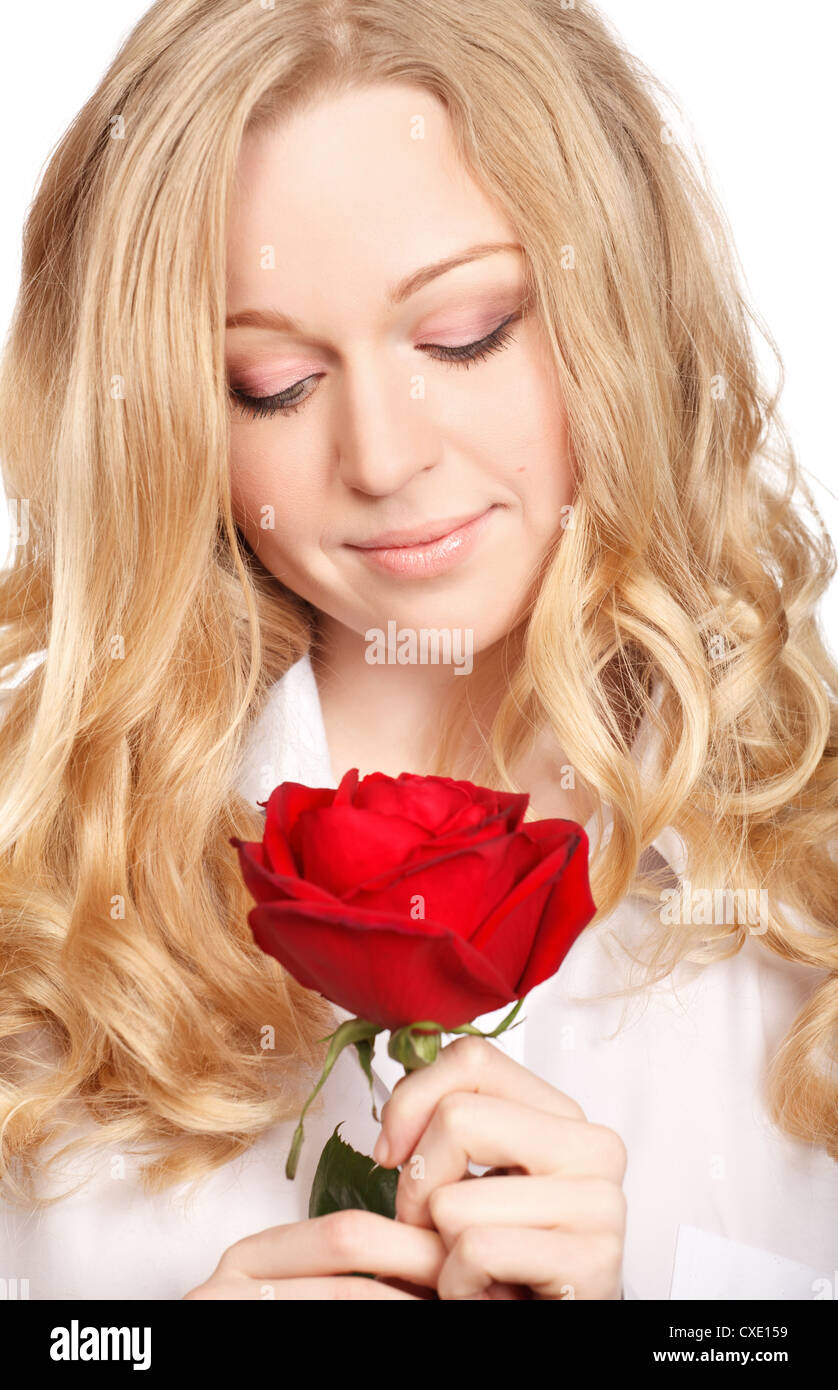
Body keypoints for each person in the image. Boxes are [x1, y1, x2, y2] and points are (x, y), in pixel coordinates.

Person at [0, 0, 835, 1302]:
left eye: (466, 333)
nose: (383, 459)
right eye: (272, 380)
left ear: (619, 312)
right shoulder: (38, 924)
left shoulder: (807, 910)